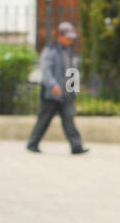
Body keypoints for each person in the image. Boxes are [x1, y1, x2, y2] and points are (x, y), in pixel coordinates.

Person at [27, 21, 88, 155]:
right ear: (60, 36)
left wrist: (74, 89)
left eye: (71, 38)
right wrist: (52, 85)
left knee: (69, 120)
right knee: (44, 120)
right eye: (68, 37)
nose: (70, 40)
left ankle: (76, 146)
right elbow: (46, 70)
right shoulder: (50, 50)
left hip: (66, 93)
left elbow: (73, 71)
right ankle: (32, 143)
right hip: (51, 94)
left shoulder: (70, 52)